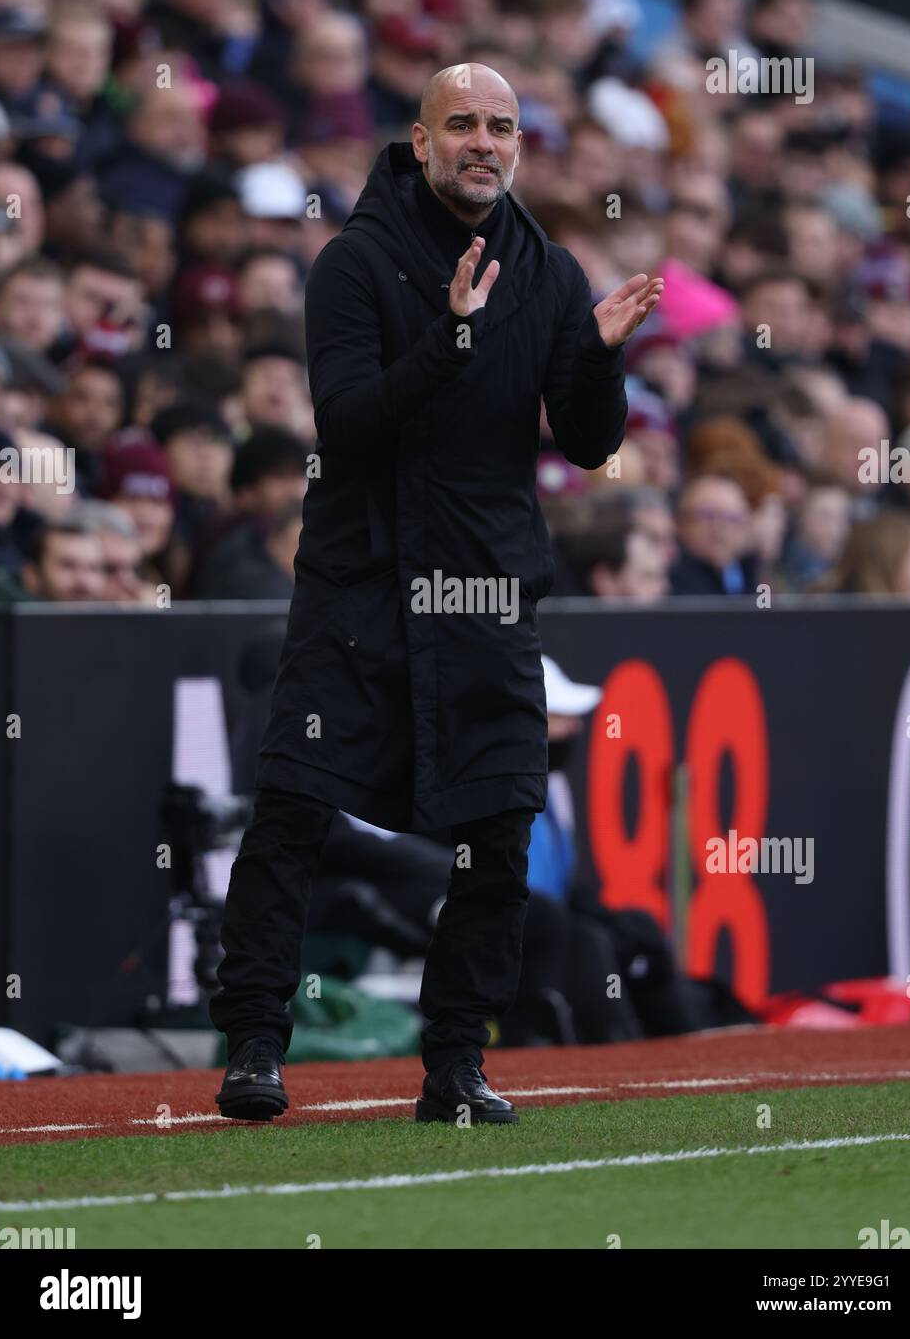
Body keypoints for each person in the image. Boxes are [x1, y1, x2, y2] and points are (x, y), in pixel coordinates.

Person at [210, 61, 661, 1126]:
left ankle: (456, 1064)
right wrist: (453, 336)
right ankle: (255, 1047)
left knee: (500, 829)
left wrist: (598, 359)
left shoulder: (549, 271)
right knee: (292, 812)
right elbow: (350, 424)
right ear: (419, 142)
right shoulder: (354, 265)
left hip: (488, 595)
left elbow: (591, 442)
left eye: (501, 126)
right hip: (361, 589)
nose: (483, 142)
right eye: (461, 123)